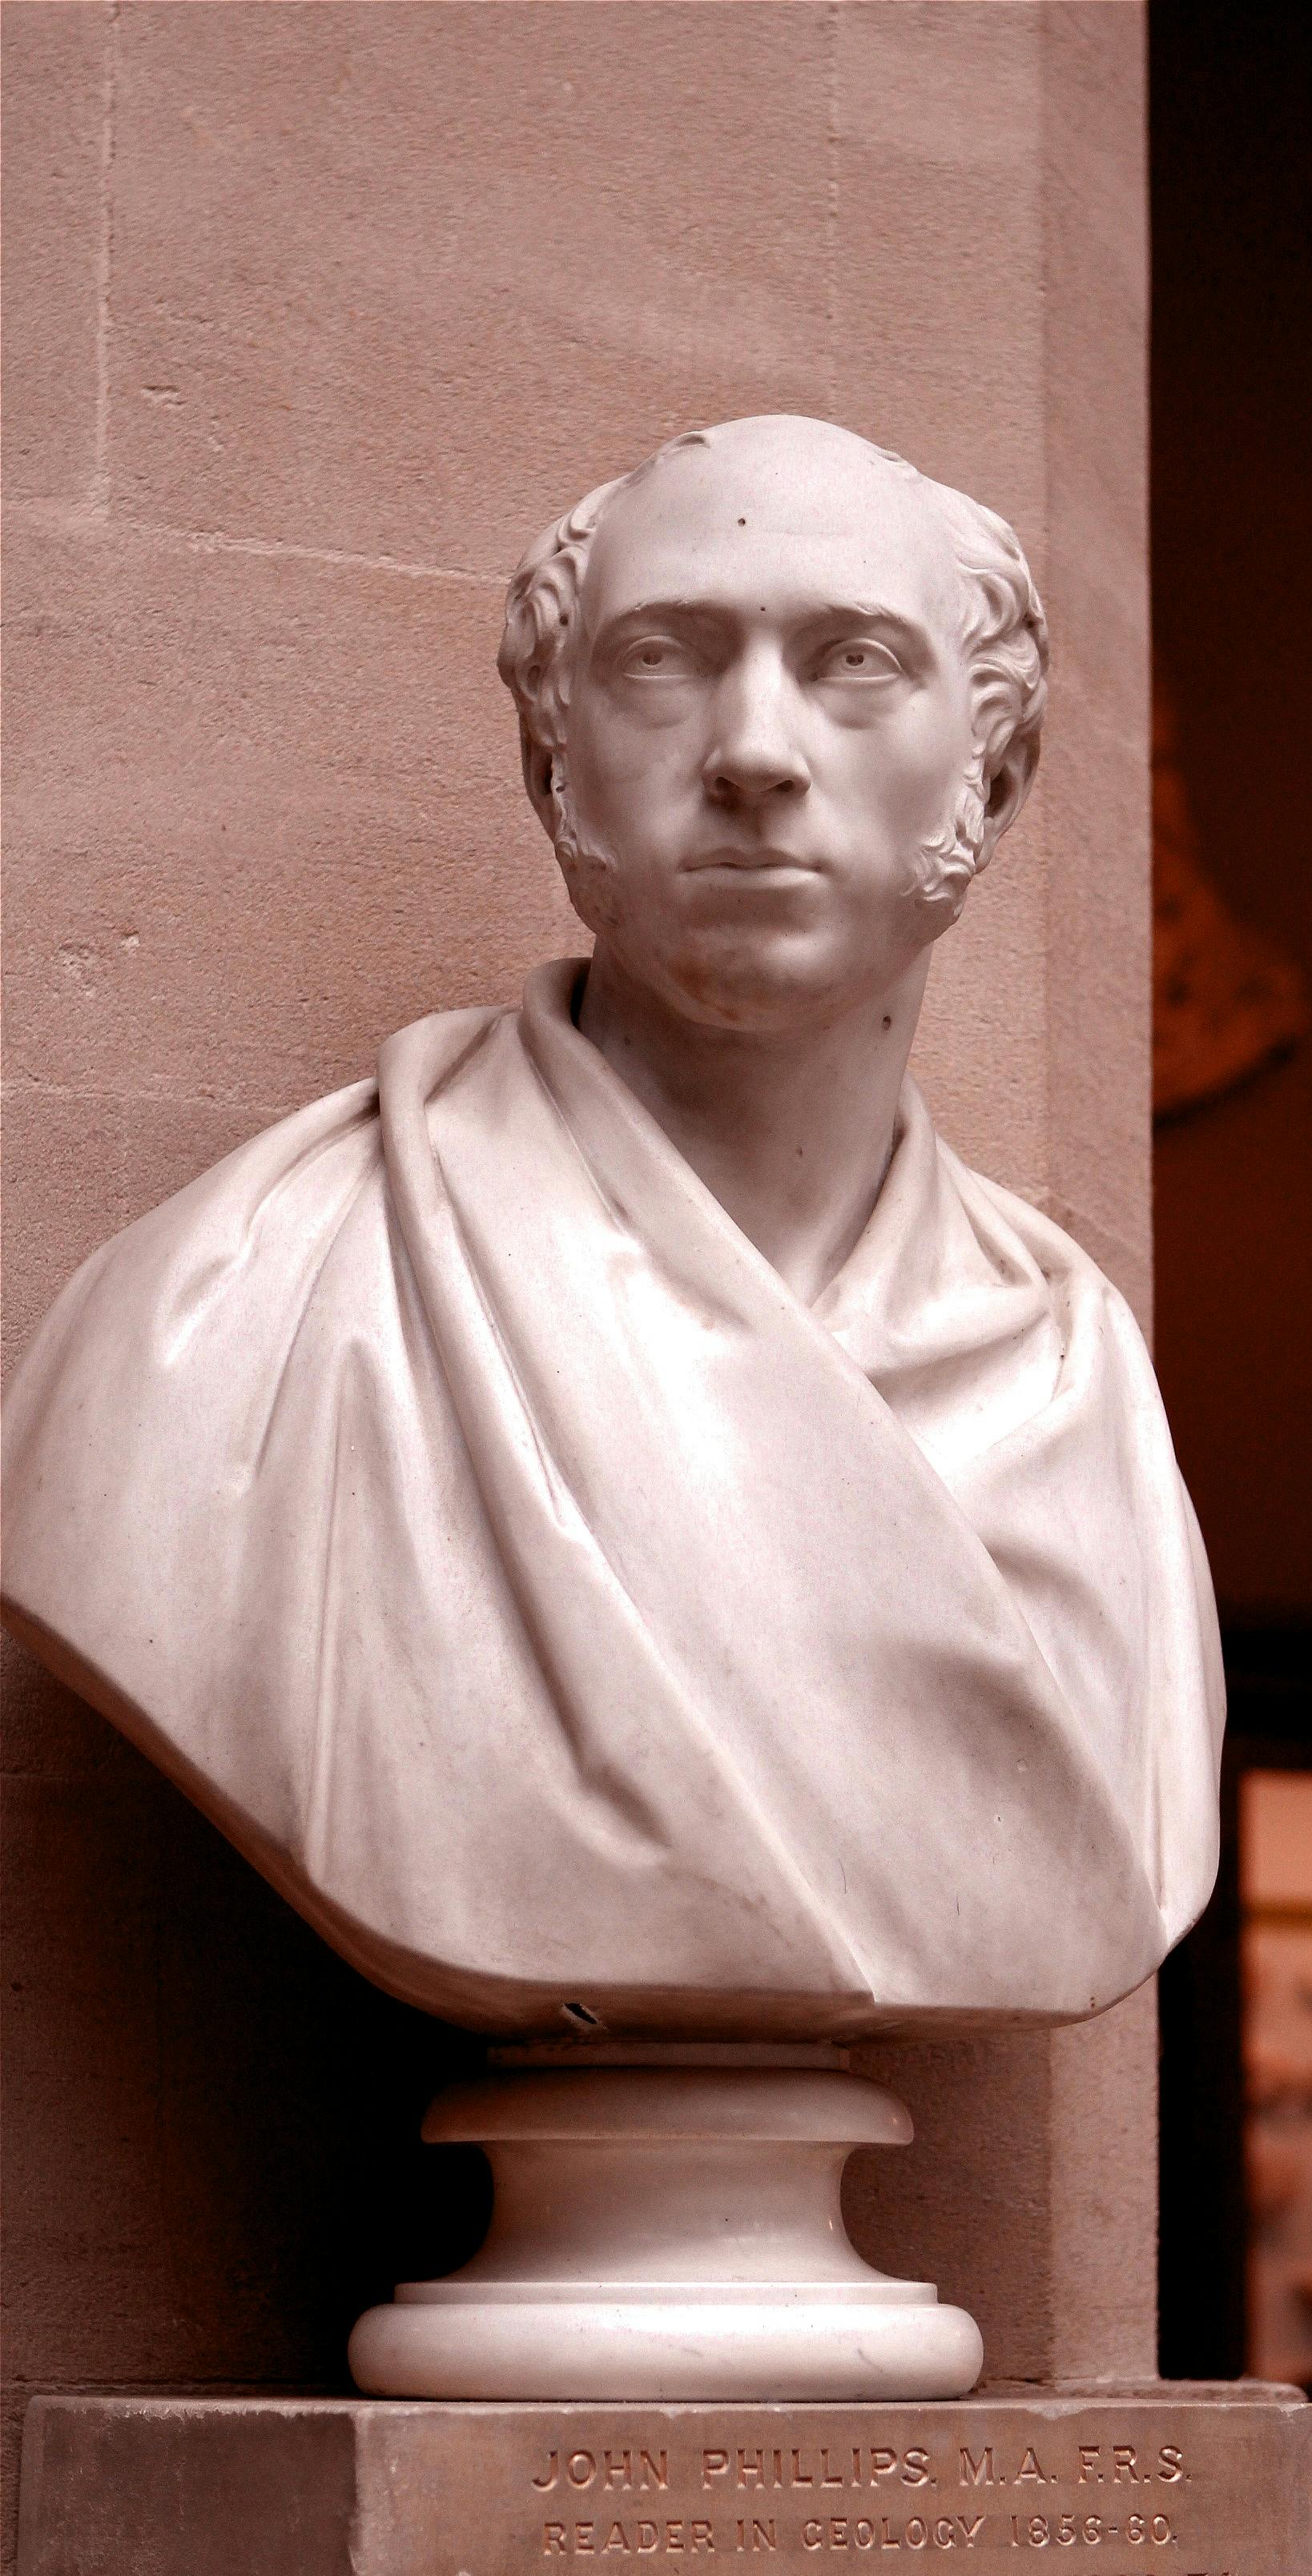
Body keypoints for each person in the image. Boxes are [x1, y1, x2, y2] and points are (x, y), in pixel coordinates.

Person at [2, 416, 1221, 2040]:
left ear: (992, 772)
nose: (757, 751)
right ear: (549, 758)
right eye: (669, 659)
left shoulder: (1076, 1381)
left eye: (852, 661)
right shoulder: (226, 1327)